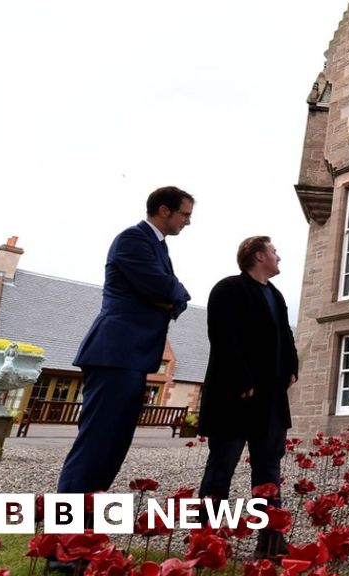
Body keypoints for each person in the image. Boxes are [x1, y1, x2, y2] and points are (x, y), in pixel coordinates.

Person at [57, 186, 193, 494]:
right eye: (185, 214)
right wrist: (172, 293)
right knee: (96, 441)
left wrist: (173, 295)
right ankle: (64, 524)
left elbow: (173, 295)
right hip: (114, 352)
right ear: (164, 210)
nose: (188, 221)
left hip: (133, 357)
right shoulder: (132, 239)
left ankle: (87, 522)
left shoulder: (159, 247)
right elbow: (161, 287)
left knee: (114, 444)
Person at [197, 236, 298, 559]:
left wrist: (292, 368)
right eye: (273, 251)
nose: (278, 256)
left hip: (270, 401)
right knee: (220, 468)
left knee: (268, 471)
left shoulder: (277, 295)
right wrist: (242, 378)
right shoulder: (228, 289)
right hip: (236, 397)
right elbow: (224, 337)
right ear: (258, 256)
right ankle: (206, 540)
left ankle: (270, 543)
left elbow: (285, 336)